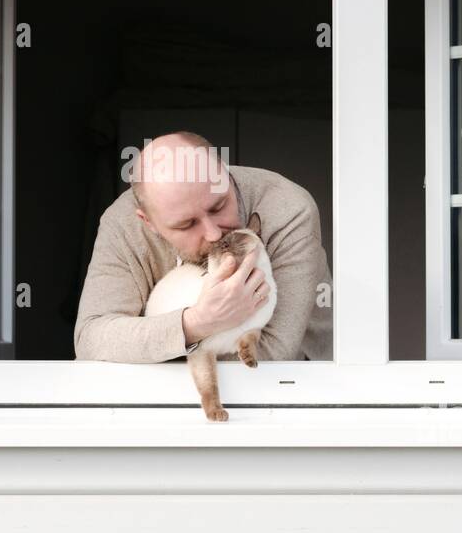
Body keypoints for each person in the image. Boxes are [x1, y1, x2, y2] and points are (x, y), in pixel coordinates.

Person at [74, 131, 333, 362]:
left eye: (218, 206)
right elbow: (92, 338)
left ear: (228, 176)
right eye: (187, 225)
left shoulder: (288, 208)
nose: (213, 234)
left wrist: (155, 347)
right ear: (148, 222)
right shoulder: (123, 222)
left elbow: (273, 352)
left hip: (302, 384)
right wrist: (198, 323)